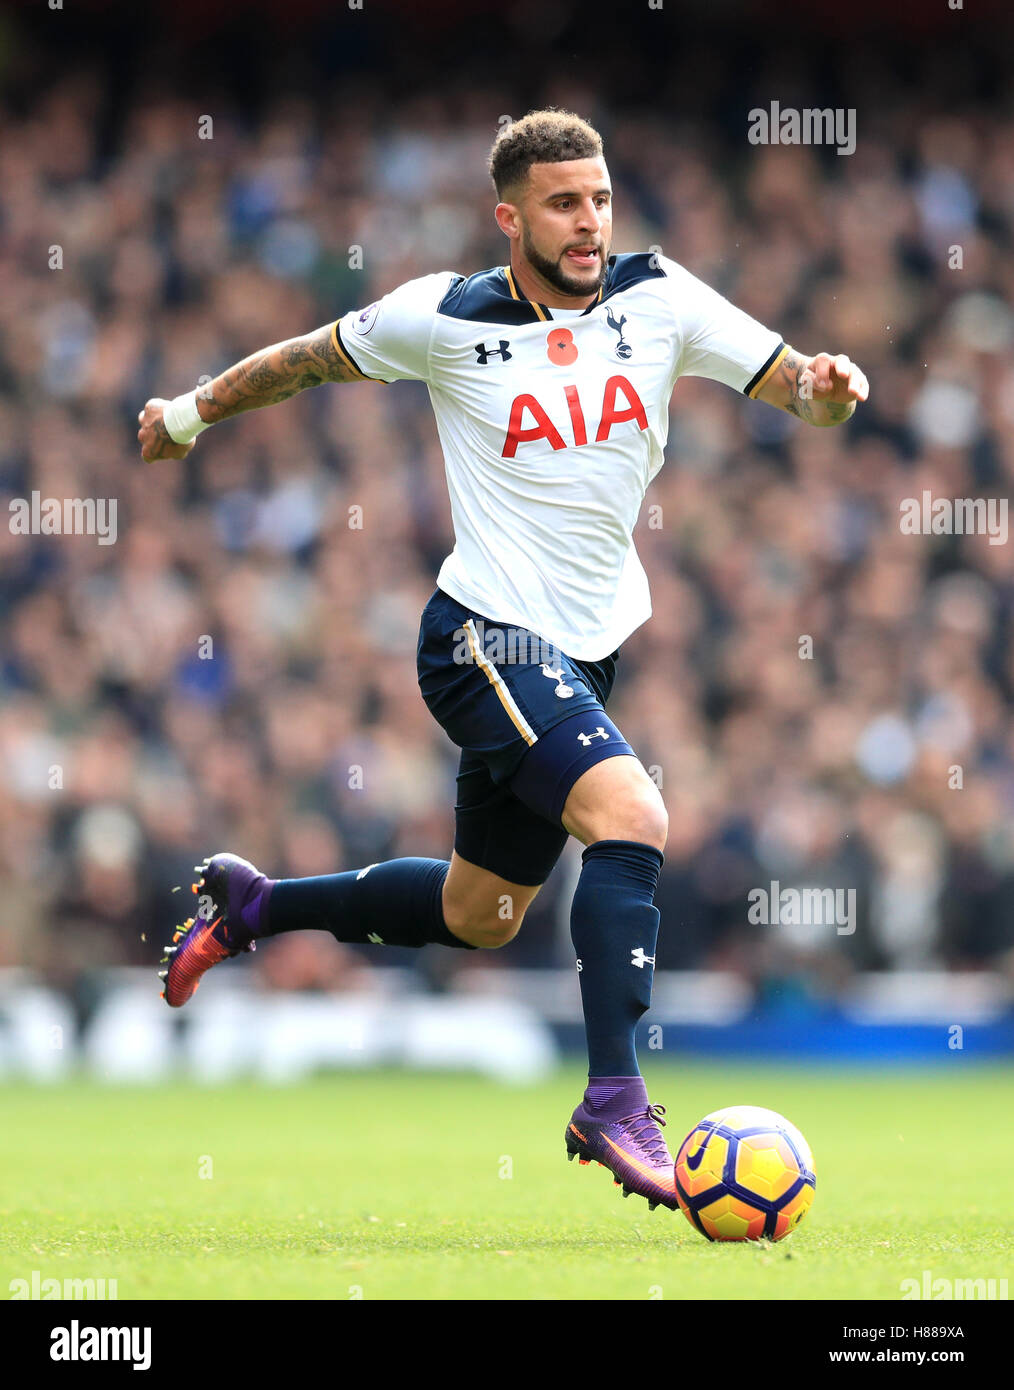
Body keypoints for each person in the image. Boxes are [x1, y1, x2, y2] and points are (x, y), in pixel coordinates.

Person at [138, 109, 868, 1212]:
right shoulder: (441, 316)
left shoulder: (659, 299)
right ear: (511, 215)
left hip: (586, 647)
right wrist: (187, 415)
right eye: (566, 203)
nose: (590, 222)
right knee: (634, 817)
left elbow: (790, 388)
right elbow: (301, 364)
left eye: (602, 198)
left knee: (485, 912)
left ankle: (258, 906)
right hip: (481, 637)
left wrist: (825, 391)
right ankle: (614, 1097)